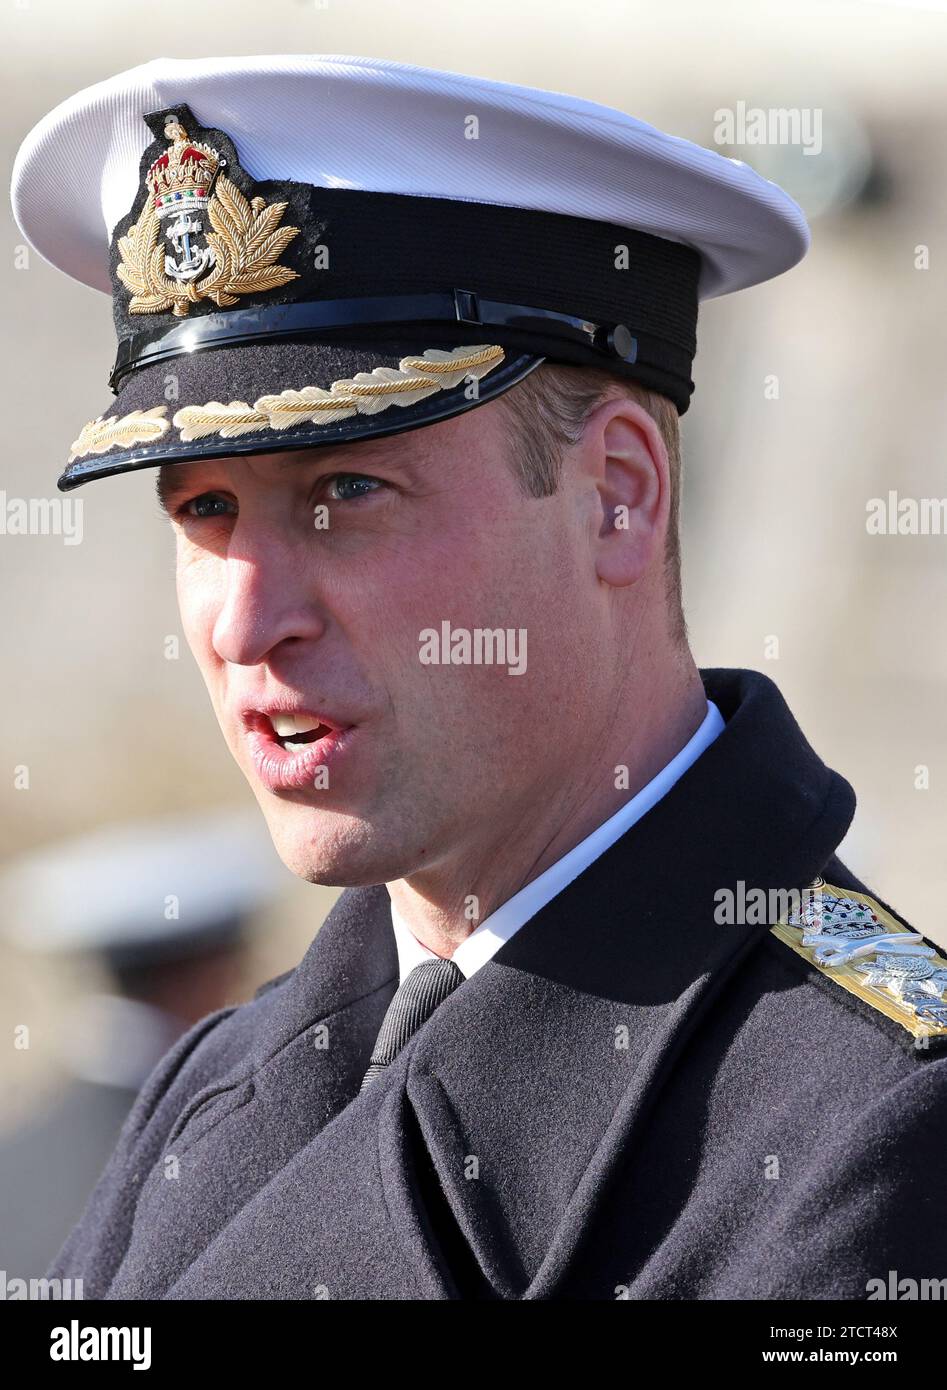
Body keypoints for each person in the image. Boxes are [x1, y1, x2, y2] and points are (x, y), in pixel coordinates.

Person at [10, 53, 946, 1301]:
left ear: (616, 493)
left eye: (345, 490)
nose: (245, 618)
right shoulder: (209, 1095)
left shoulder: (877, 1120)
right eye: (207, 511)